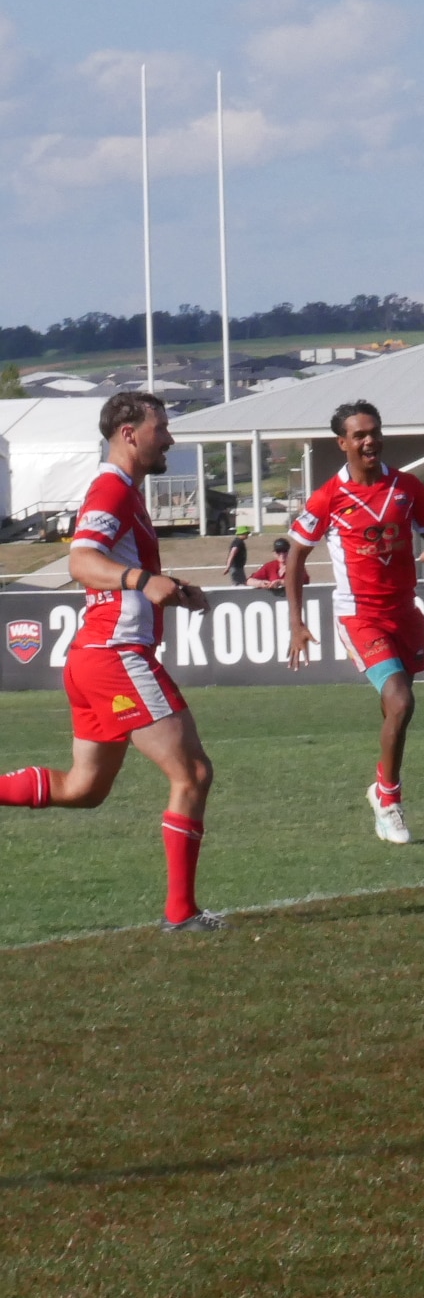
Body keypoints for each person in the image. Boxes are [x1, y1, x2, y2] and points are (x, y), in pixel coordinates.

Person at [0, 391, 222, 931]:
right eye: (162, 428)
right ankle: (181, 914)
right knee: (192, 773)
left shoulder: (127, 493)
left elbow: (112, 568)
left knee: (84, 789)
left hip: (94, 657)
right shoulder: (112, 487)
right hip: (115, 655)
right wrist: (144, 581)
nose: (169, 438)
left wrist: (172, 588)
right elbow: (80, 560)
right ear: (129, 434)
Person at [283, 401, 424, 845]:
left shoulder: (408, 487)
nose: (369, 440)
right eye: (358, 435)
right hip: (360, 615)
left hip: (405, 613)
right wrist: (296, 622)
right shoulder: (328, 498)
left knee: (397, 705)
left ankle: (382, 786)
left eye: (373, 431)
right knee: (400, 702)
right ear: (343, 444)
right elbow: (295, 555)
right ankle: (388, 799)